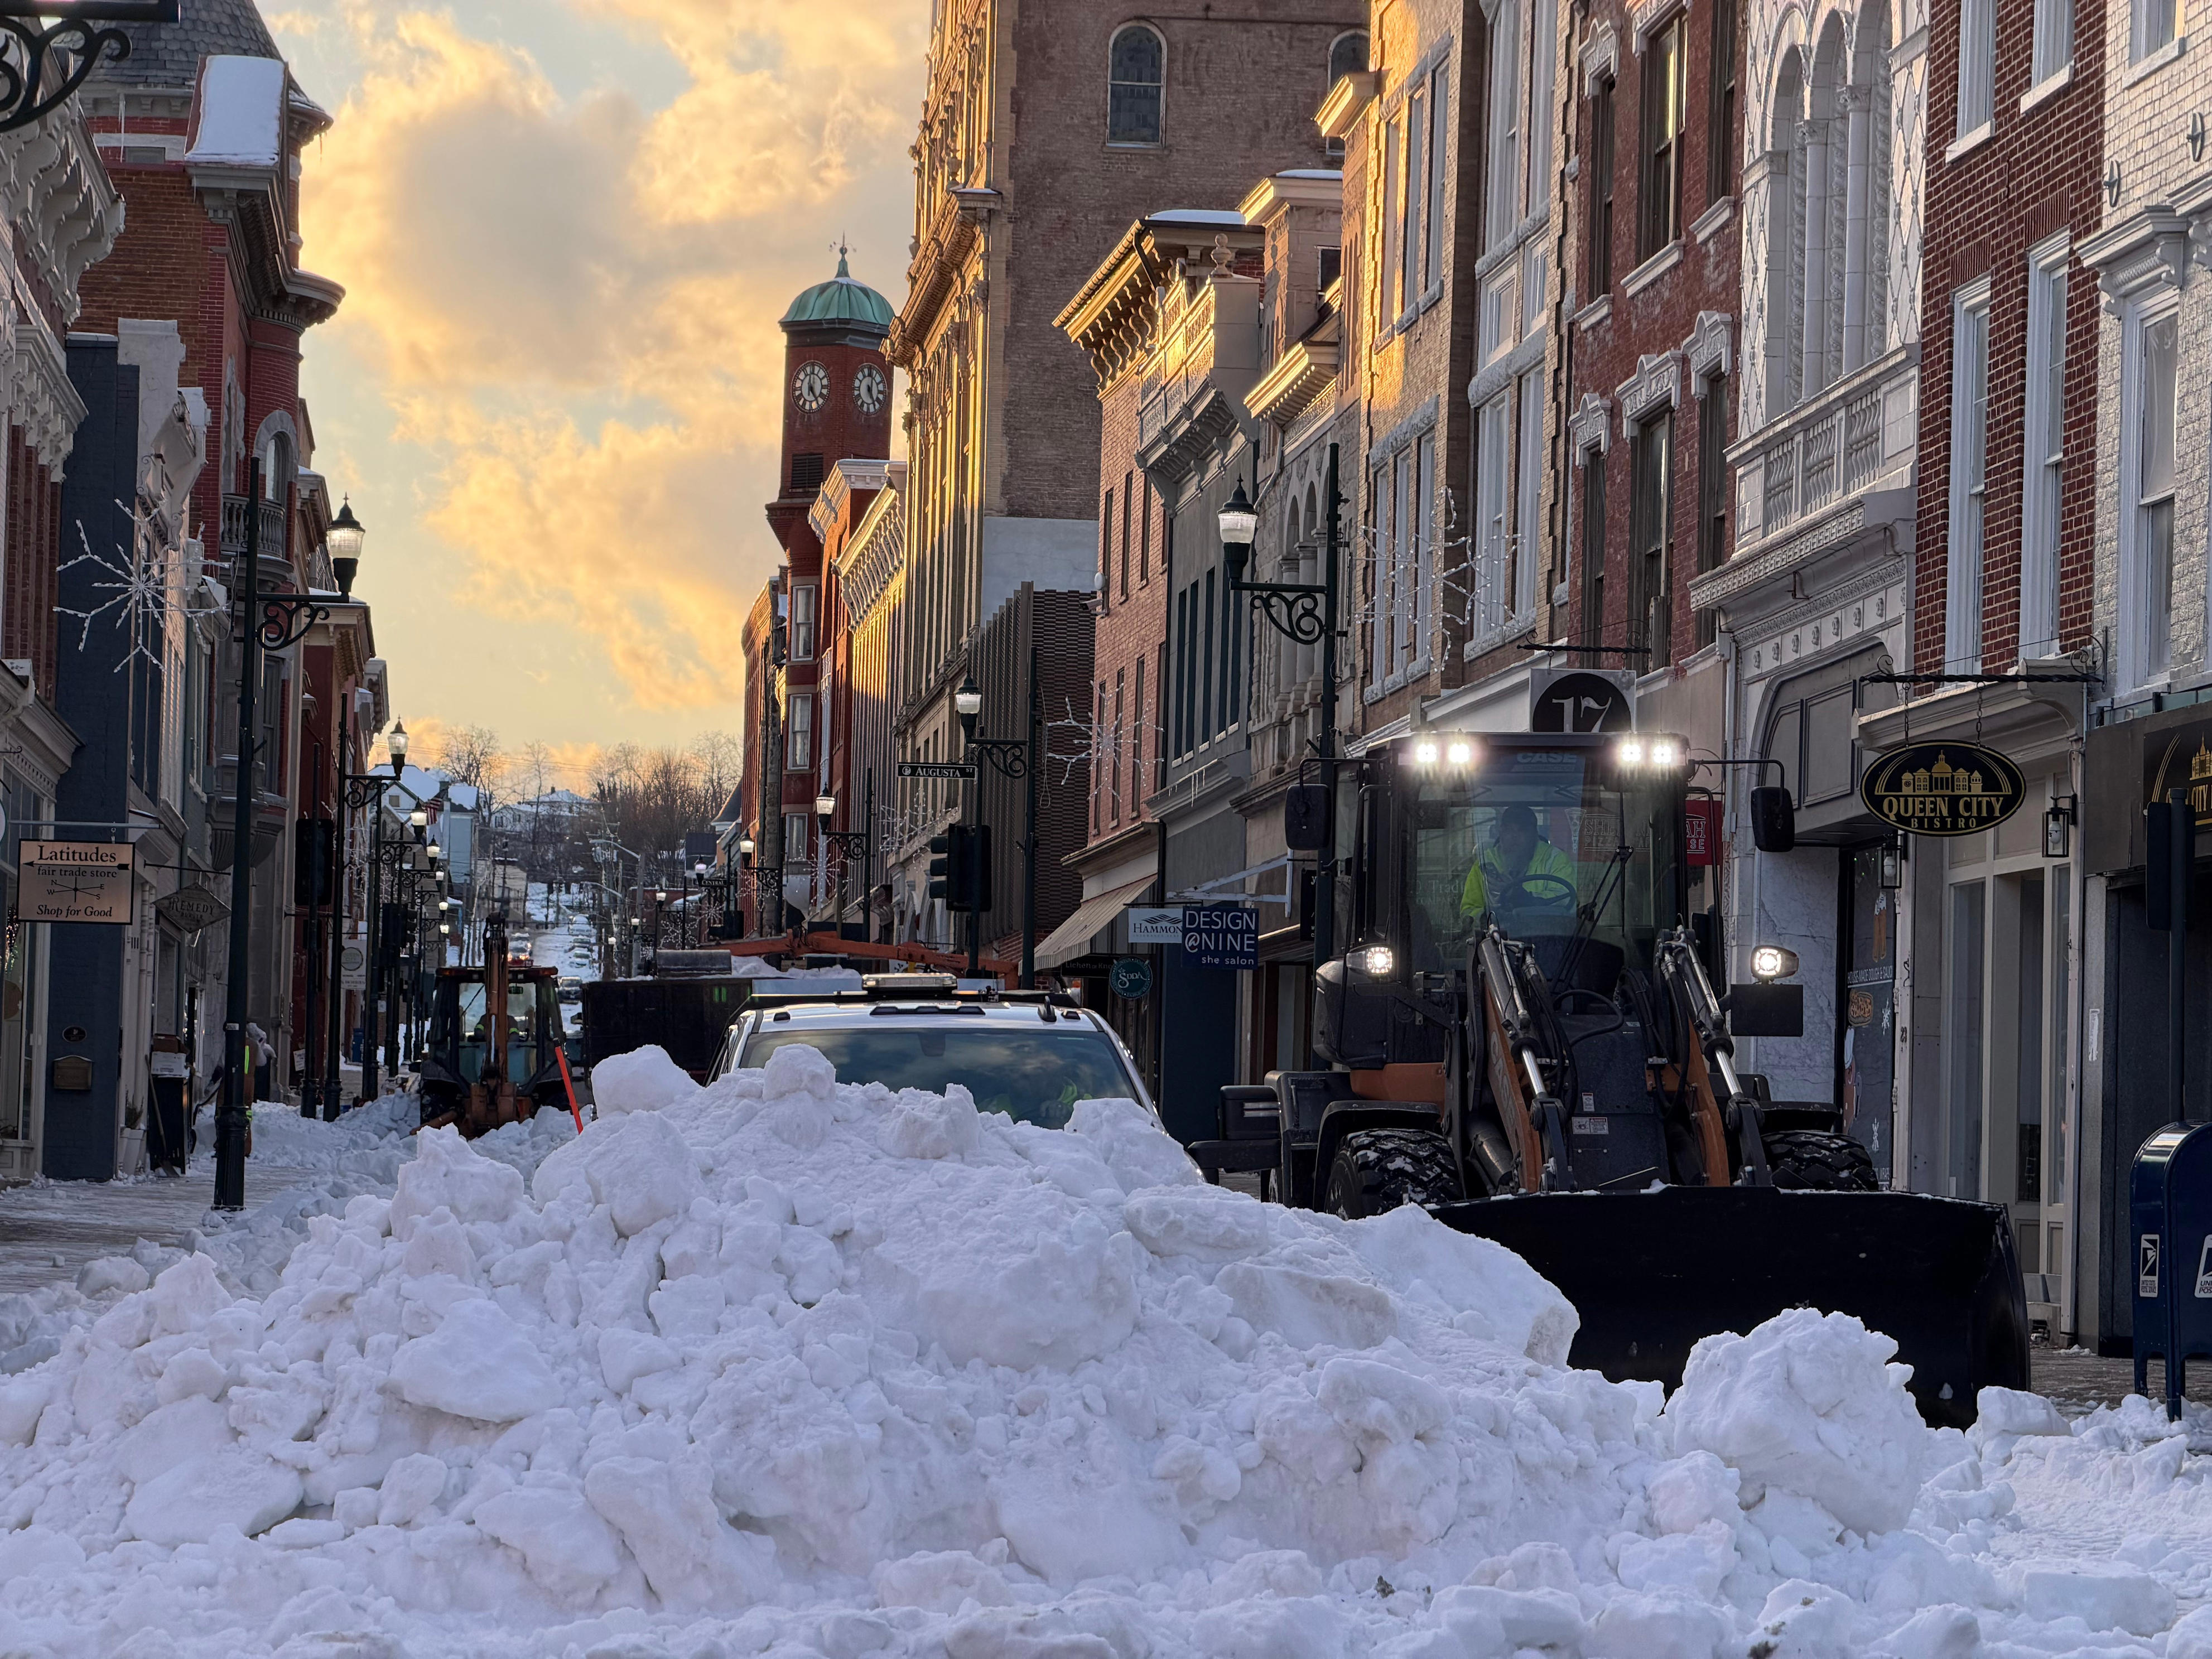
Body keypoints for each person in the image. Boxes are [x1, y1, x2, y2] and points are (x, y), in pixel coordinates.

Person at [1460, 804, 1578, 922]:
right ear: (1500, 832)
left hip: (1546, 935)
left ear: (1534, 834)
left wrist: (1524, 898)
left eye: (1522, 830)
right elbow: (1469, 910)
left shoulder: (1555, 859)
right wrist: (1485, 917)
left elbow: (1566, 900)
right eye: (1509, 830)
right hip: (1497, 937)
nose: (1514, 836)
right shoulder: (1485, 863)